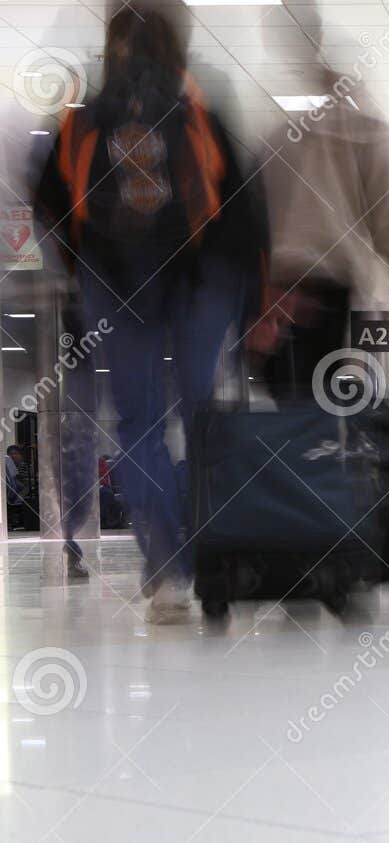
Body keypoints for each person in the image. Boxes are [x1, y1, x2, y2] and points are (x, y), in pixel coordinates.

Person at [34, 2, 267, 622]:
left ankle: (166, 570)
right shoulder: (200, 109)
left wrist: (81, 277)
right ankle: (205, 558)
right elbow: (244, 207)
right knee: (201, 417)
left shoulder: (81, 119)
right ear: (177, 44)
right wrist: (254, 304)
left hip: (116, 278)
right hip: (202, 277)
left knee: (137, 424)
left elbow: (51, 204)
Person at [249, 10, 389, 400]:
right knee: (327, 409)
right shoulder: (367, 133)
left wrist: (257, 292)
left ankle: (297, 458)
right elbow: (388, 216)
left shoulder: (271, 126)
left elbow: (249, 214)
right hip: (328, 285)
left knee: (289, 409)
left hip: (278, 288)